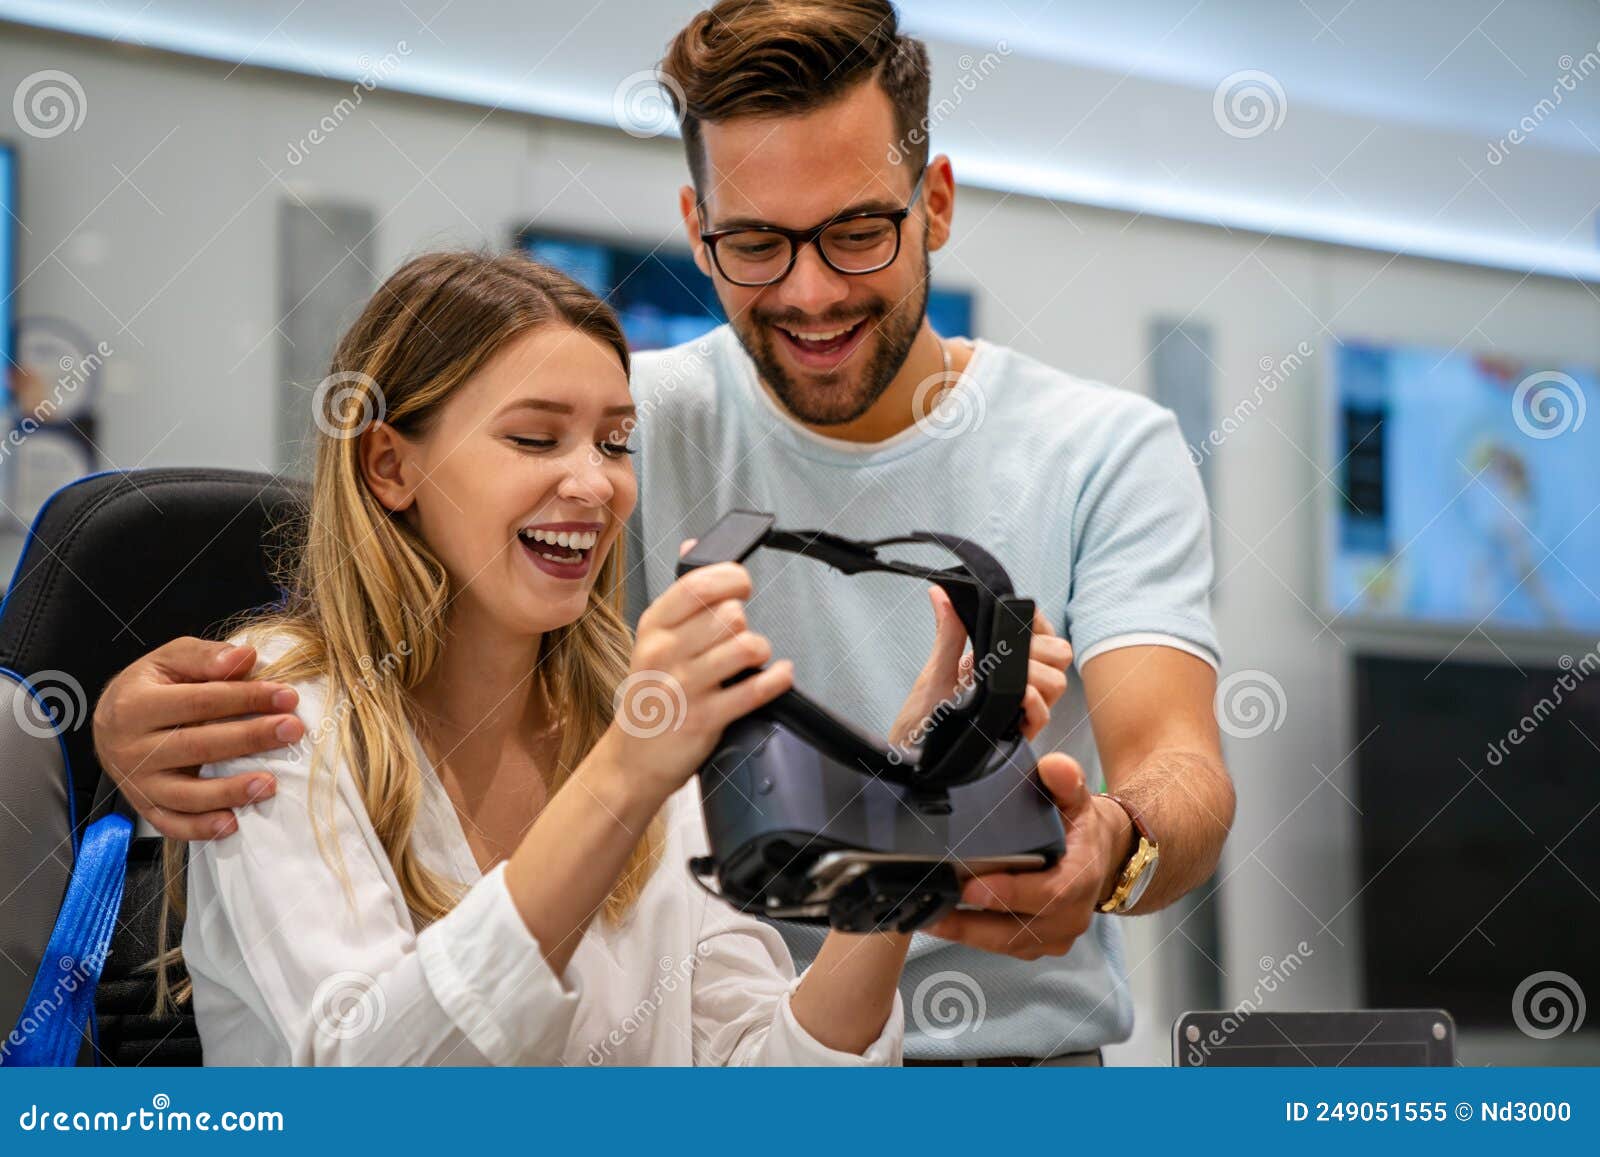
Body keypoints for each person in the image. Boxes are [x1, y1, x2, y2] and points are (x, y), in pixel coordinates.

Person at [94, 0, 1235, 1065]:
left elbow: (1178, 766)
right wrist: (121, 709)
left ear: (932, 203)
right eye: (756, 244)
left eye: (854, 234)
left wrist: (1071, 840)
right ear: (697, 229)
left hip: (971, 1054)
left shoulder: (1103, 446)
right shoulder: (634, 416)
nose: (809, 291)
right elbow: (385, 561)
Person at [161, 250, 922, 1065]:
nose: (597, 485)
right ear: (389, 465)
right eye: (535, 437)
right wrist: (624, 776)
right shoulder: (280, 715)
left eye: (615, 441)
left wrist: (908, 833)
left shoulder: (626, 712)